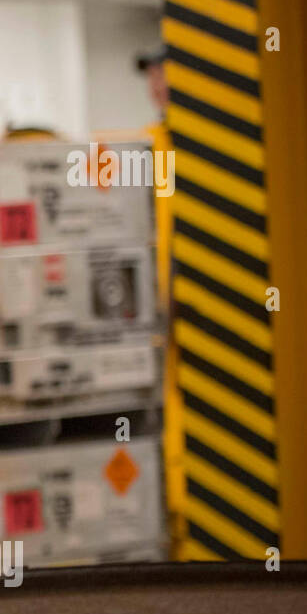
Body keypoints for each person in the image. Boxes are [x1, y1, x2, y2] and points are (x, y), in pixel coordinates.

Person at [135, 45, 184, 554]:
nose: (156, 80)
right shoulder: (145, 148)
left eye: (163, 69)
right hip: (158, 317)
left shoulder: (209, 150)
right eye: (151, 73)